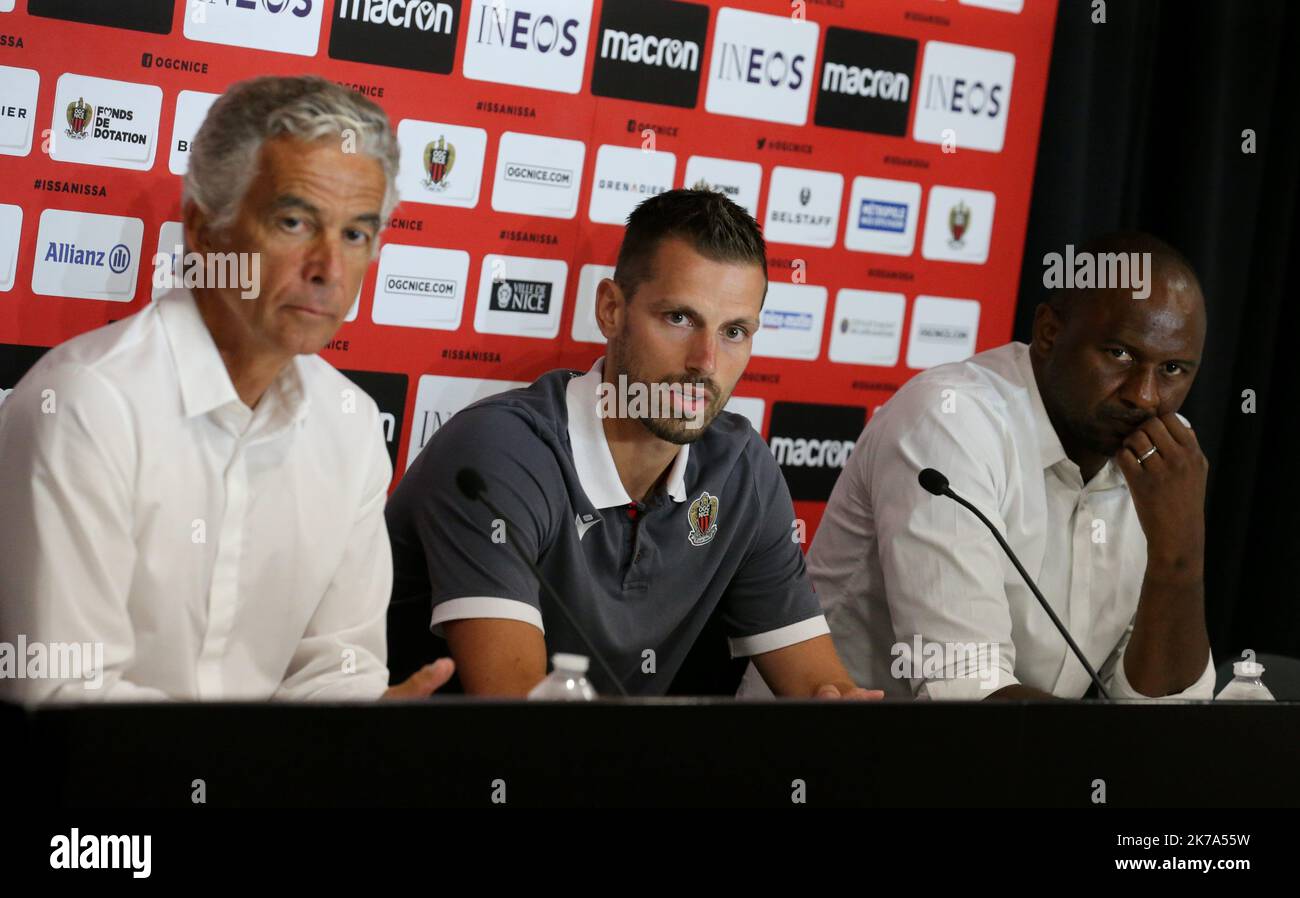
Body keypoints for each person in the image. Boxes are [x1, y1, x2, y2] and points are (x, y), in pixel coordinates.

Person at [0, 76, 451, 702]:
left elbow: (335, 670)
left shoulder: (351, 423)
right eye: (295, 222)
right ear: (204, 230)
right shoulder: (87, 405)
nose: (328, 268)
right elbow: (63, 699)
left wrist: (362, 727)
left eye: (355, 234)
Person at [386, 189, 879, 699]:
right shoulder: (502, 449)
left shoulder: (740, 468)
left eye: (734, 331)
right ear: (610, 310)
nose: (705, 361)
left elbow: (823, 689)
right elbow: (521, 716)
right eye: (679, 319)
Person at [764, 232, 1215, 700]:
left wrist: (1178, 555)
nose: (1143, 396)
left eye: (1174, 370)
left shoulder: (1163, 462)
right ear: (1049, 333)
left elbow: (1167, 707)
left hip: (1016, 762)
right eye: (1120, 354)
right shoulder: (951, 420)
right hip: (820, 756)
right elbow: (970, 694)